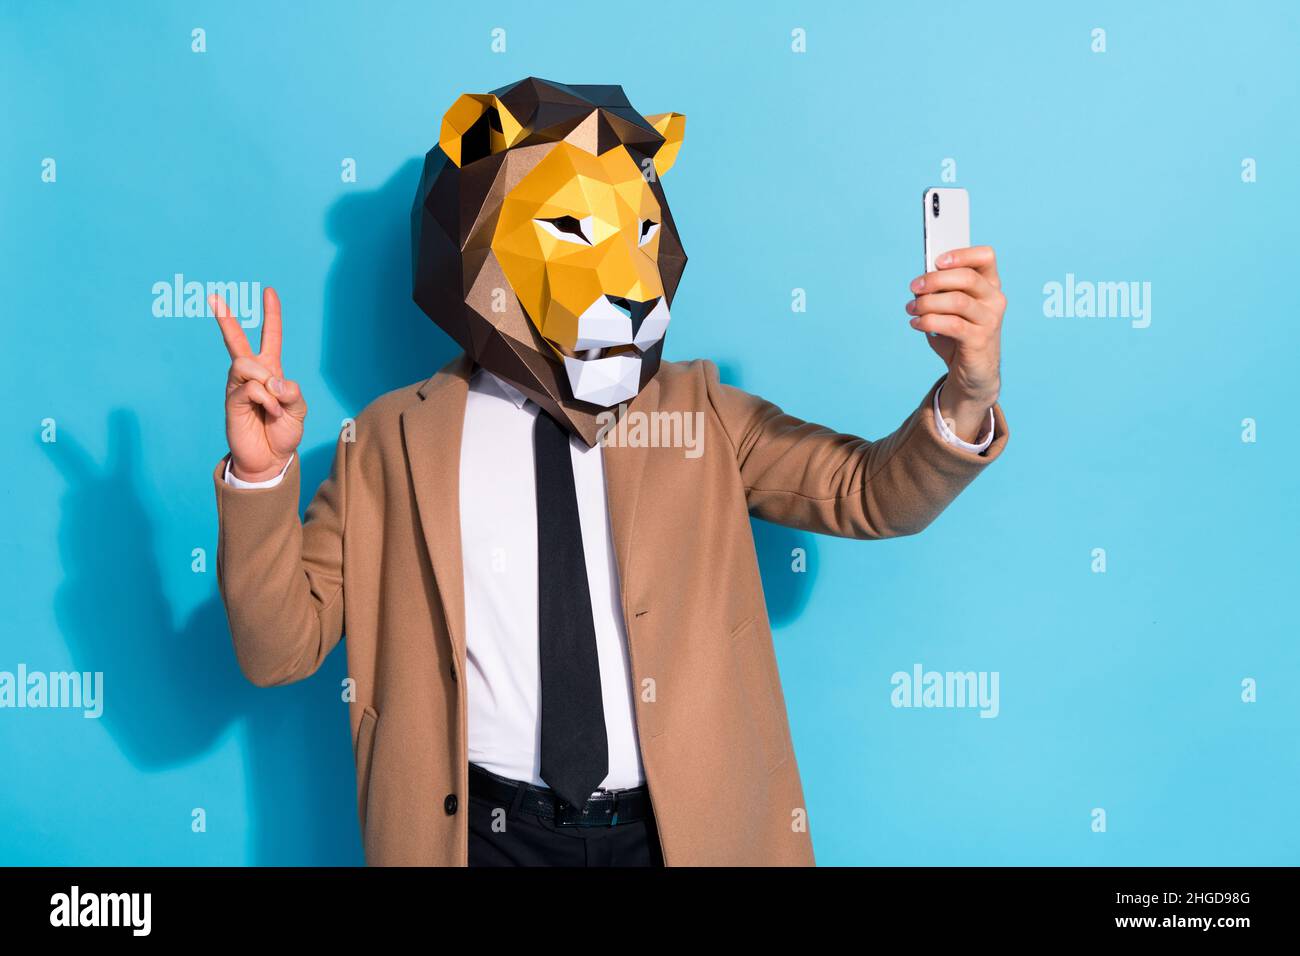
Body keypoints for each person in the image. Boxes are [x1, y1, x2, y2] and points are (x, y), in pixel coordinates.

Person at [209, 78, 1008, 867]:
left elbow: (870, 493)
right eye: (569, 226)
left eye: (639, 231)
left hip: (678, 834)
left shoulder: (701, 412)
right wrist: (259, 479)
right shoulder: (388, 442)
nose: (629, 280)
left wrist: (966, 393)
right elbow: (279, 650)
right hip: (480, 836)